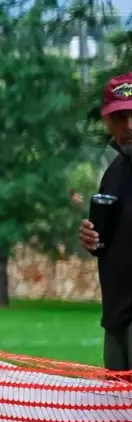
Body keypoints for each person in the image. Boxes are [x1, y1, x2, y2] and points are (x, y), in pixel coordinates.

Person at [77, 72, 132, 369]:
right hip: (115, 319)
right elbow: (111, 241)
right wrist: (92, 239)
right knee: (114, 399)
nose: (130, 125)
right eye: (121, 117)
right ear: (107, 120)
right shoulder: (114, 172)